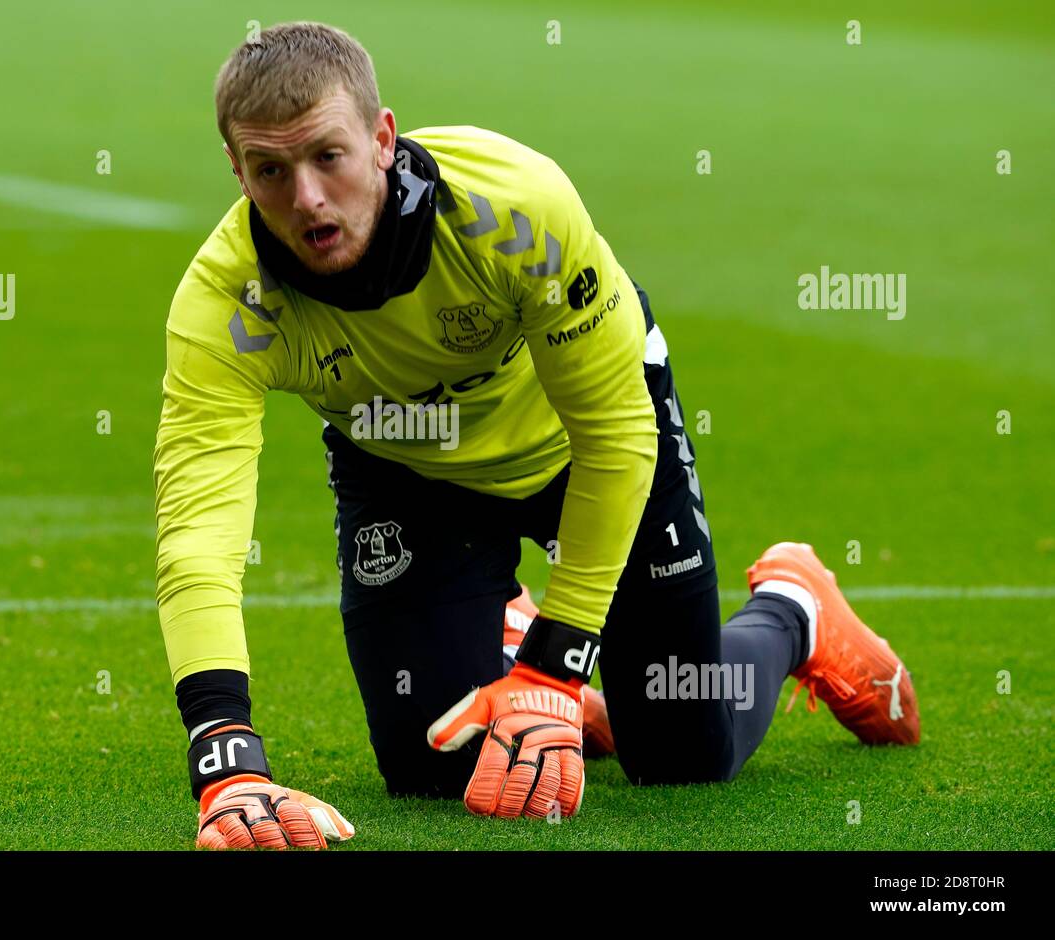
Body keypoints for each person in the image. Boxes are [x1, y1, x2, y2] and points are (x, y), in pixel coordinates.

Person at [154, 21, 919, 850]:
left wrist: (556, 666)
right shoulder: (223, 306)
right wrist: (226, 762)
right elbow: (200, 536)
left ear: (381, 139)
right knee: (436, 765)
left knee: (683, 752)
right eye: (270, 170)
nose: (305, 199)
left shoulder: (514, 205)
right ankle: (530, 650)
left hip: (583, 447)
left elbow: (619, 434)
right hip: (407, 468)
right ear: (237, 171)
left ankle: (793, 608)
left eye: (327, 157)